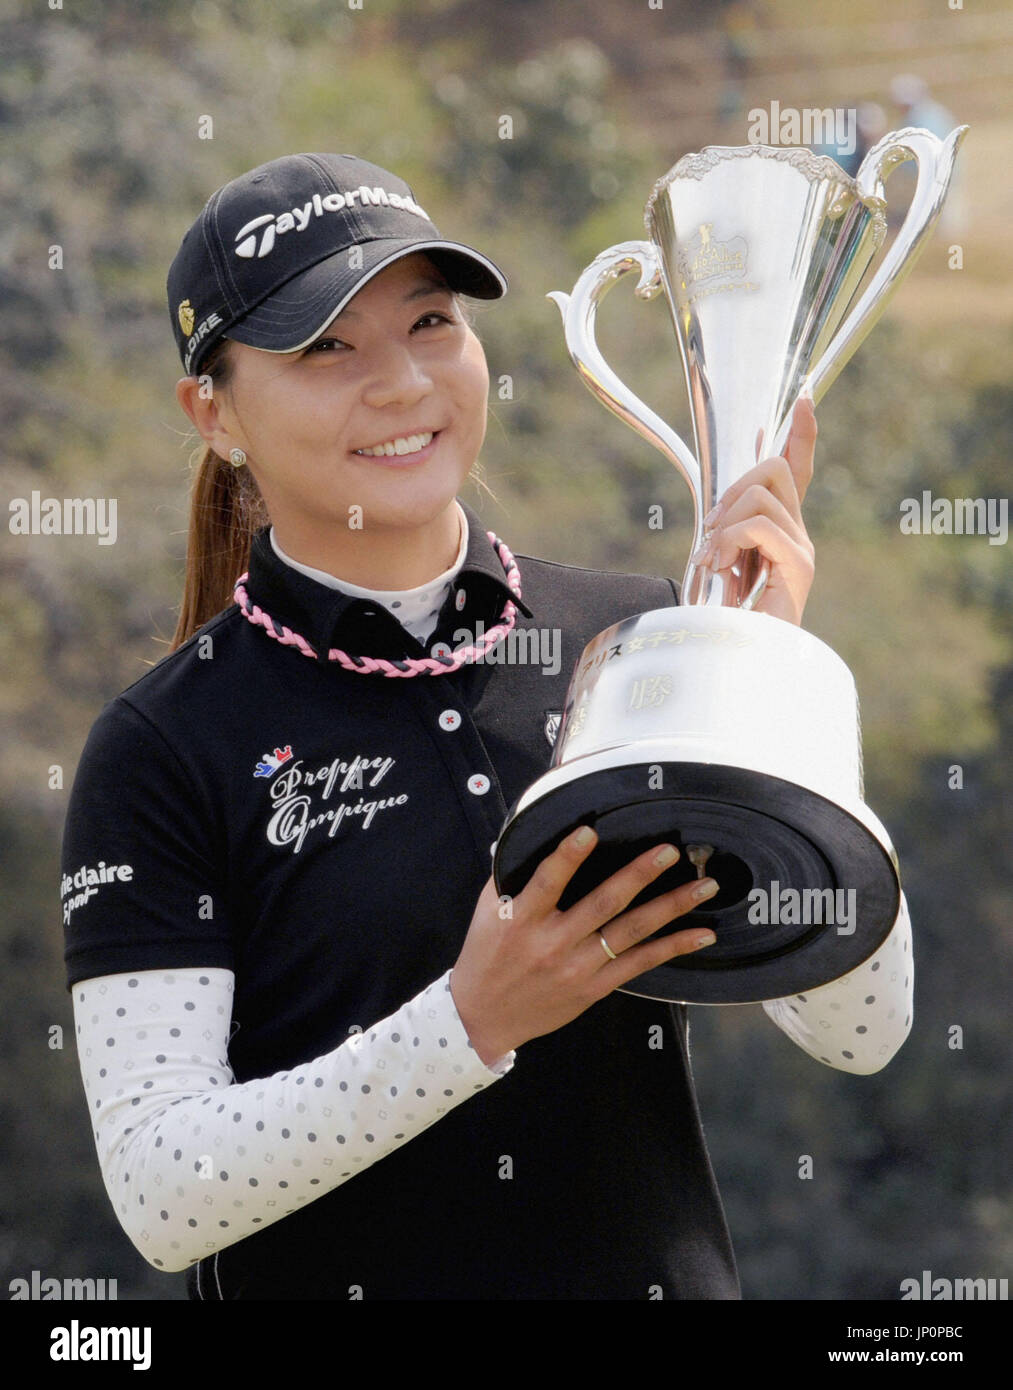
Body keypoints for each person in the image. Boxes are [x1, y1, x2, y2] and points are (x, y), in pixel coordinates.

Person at [61, 152, 913, 1300]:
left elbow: (860, 1026)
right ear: (212, 413)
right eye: (326, 348)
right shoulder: (163, 746)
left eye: (429, 322)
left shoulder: (640, 635)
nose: (403, 383)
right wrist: (468, 1022)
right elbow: (165, 1193)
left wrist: (761, 668)